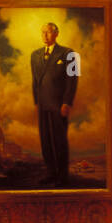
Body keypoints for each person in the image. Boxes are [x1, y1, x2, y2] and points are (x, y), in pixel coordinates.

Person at [30, 22, 78, 187]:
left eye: (48, 32)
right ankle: (51, 173)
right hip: (43, 105)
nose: (45, 36)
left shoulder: (69, 54)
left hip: (59, 105)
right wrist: (37, 101)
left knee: (59, 140)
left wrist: (67, 102)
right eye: (42, 32)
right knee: (45, 140)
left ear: (56, 34)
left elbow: (73, 81)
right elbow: (35, 82)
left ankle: (63, 177)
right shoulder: (35, 55)